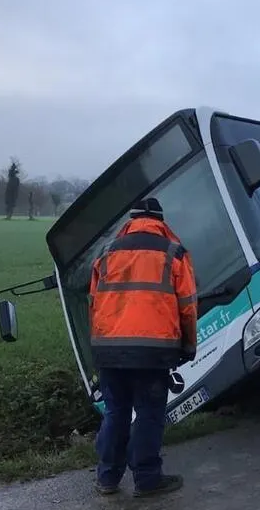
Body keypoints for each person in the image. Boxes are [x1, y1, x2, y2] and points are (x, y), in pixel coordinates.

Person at [89, 197, 198, 497]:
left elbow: (94, 304)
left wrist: (98, 348)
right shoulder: (174, 253)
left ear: (130, 221)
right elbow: (187, 306)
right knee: (149, 414)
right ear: (161, 223)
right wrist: (188, 346)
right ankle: (147, 479)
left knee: (115, 413)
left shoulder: (106, 253)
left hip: (109, 348)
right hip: (153, 351)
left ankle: (108, 479)